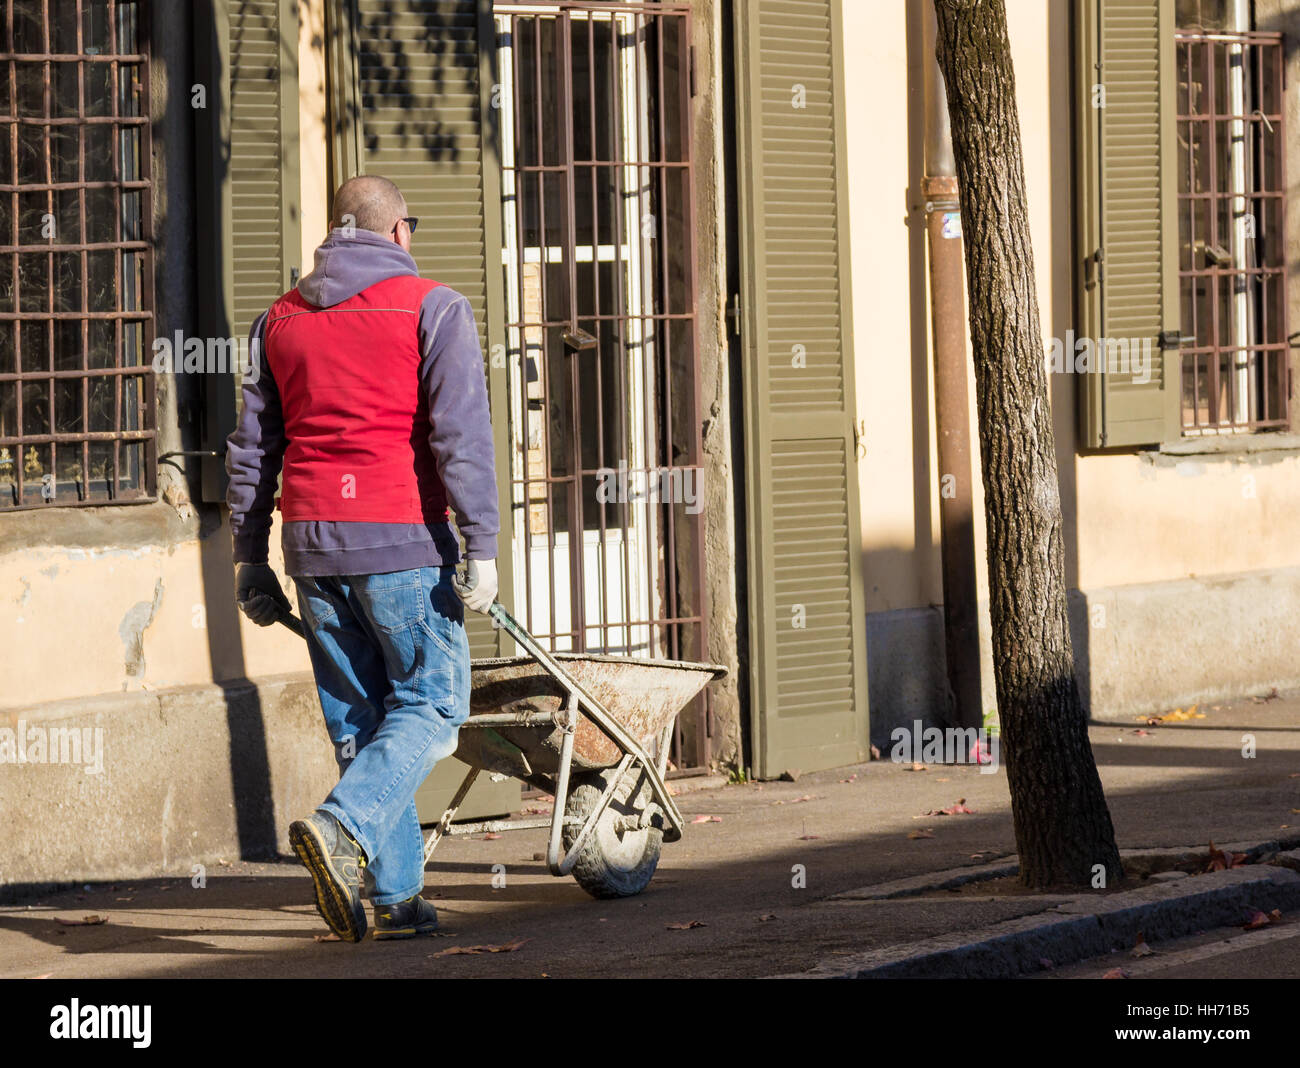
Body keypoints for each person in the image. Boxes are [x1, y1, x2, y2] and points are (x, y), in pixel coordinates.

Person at [224, 175, 499, 943]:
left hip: (311, 544)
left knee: (364, 721)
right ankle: (343, 830)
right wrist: (484, 543)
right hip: (401, 539)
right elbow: (462, 438)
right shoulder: (433, 307)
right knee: (435, 706)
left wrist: (250, 559)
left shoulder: (276, 320)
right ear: (398, 233)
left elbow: (252, 450)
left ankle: (398, 898)